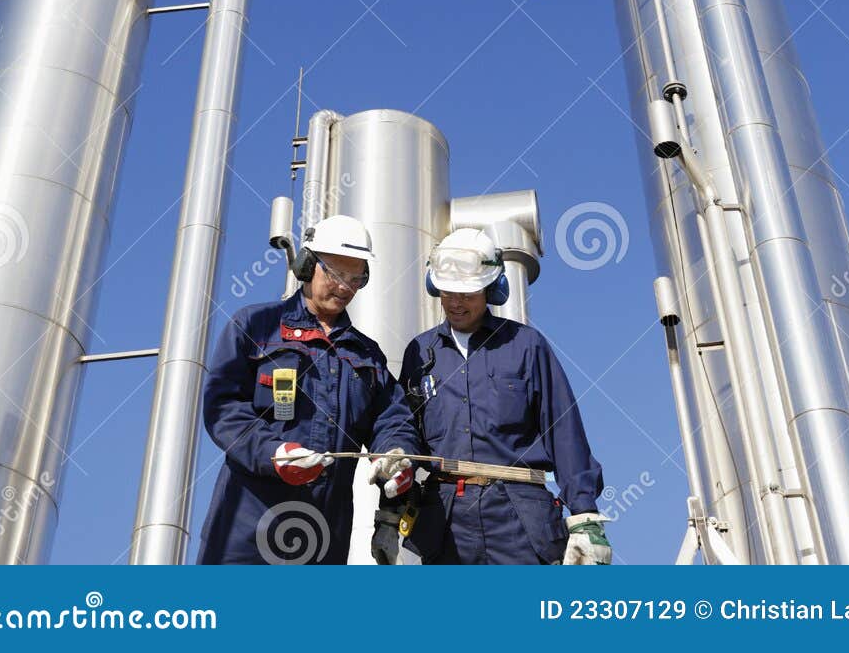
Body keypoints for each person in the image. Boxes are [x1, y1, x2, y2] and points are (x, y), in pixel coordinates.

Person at [197, 215, 419, 564]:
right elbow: (223, 408)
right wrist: (273, 452)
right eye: (335, 275)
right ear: (307, 265)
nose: (345, 288)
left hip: (323, 537)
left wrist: (394, 454)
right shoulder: (255, 327)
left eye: (356, 278)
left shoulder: (366, 355)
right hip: (246, 532)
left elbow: (392, 419)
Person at [393, 228, 611, 566]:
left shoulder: (526, 346)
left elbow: (563, 430)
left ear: (492, 289)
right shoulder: (420, 353)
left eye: (467, 294)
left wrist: (585, 515)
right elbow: (402, 429)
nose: (455, 303)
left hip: (518, 519)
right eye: (448, 292)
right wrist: (390, 504)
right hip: (445, 521)